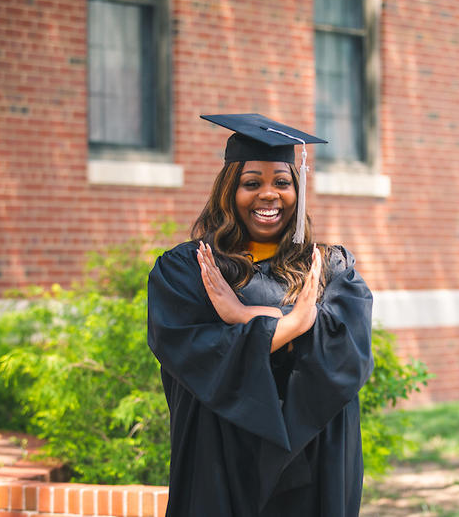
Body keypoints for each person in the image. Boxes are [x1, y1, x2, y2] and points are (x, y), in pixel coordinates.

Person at [147, 113, 374, 516]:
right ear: (229, 191)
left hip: (313, 457)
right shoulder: (189, 269)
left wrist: (242, 316)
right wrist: (290, 324)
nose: (269, 195)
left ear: (297, 190)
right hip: (220, 459)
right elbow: (190, 350)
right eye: (252, 183)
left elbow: (346, 354)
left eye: (282, 182)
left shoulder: (329, 266)